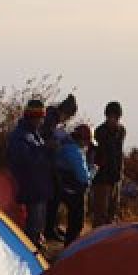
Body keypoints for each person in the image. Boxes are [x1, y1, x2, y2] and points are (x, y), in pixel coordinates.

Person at [6, 99, 53, 247]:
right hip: (30, 192)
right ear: (33, 117)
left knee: (38, 229)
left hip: (39, 190)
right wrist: (45, 149)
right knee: (31, 231)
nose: (42, 121)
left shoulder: (35, 135)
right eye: (40, 117)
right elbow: (25, 162)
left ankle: (37, 255)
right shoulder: (20, 137)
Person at [43, 94, 79, 240]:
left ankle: (51, 226)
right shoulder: (51, 119)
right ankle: (48, 229)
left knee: (55, 196)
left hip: (51, 163)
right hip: (47, 164)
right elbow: (46, 139)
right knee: (54, 196)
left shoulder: (52, 118)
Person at [57, 123, 94, 245]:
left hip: (63, 187)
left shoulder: (64, 144)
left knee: (72, 221)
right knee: (76, 222)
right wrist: (93, 170)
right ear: (82, 139)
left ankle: (69, 244)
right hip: (74, 191)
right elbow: (84, 178)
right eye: (87, 142)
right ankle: (71, 248)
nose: (87, 145)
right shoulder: (75, 152)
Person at [91, 101, 126, 227]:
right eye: (110, 116)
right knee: (100, 214)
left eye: (115, 117)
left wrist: (120, 173)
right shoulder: (100, 133)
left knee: (113, 212)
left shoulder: (121, 131)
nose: (112, 119)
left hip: (116, 178)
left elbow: (119, 153)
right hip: (102, 178)